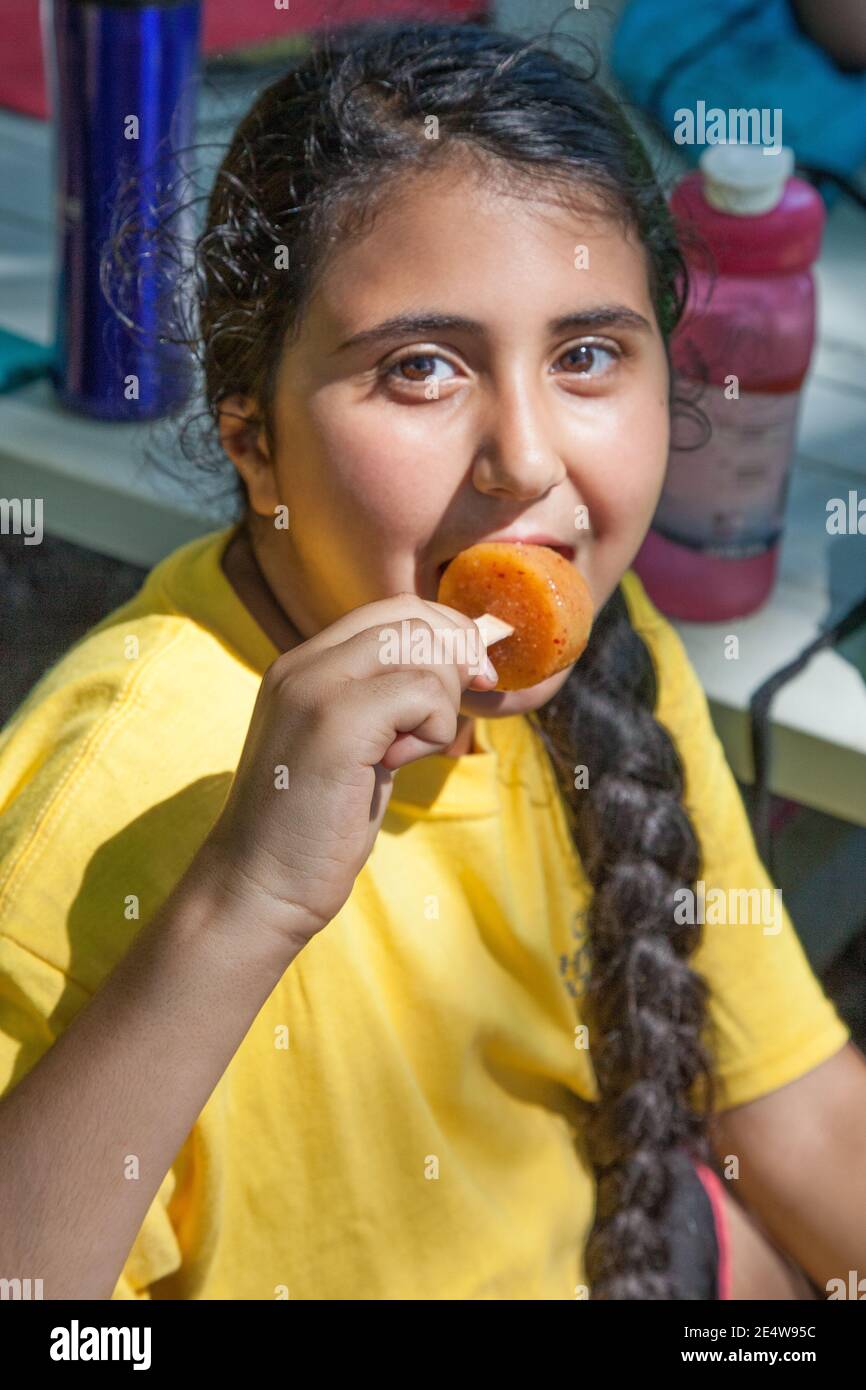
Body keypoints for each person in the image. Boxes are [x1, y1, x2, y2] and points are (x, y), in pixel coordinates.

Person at [0, 20, 863, 1302]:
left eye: (584, 355)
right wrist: (242, 904)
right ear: (251, 435)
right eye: (418, 368)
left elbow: (789, 1113)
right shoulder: (103, 813)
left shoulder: (617, 659)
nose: (526, 457)